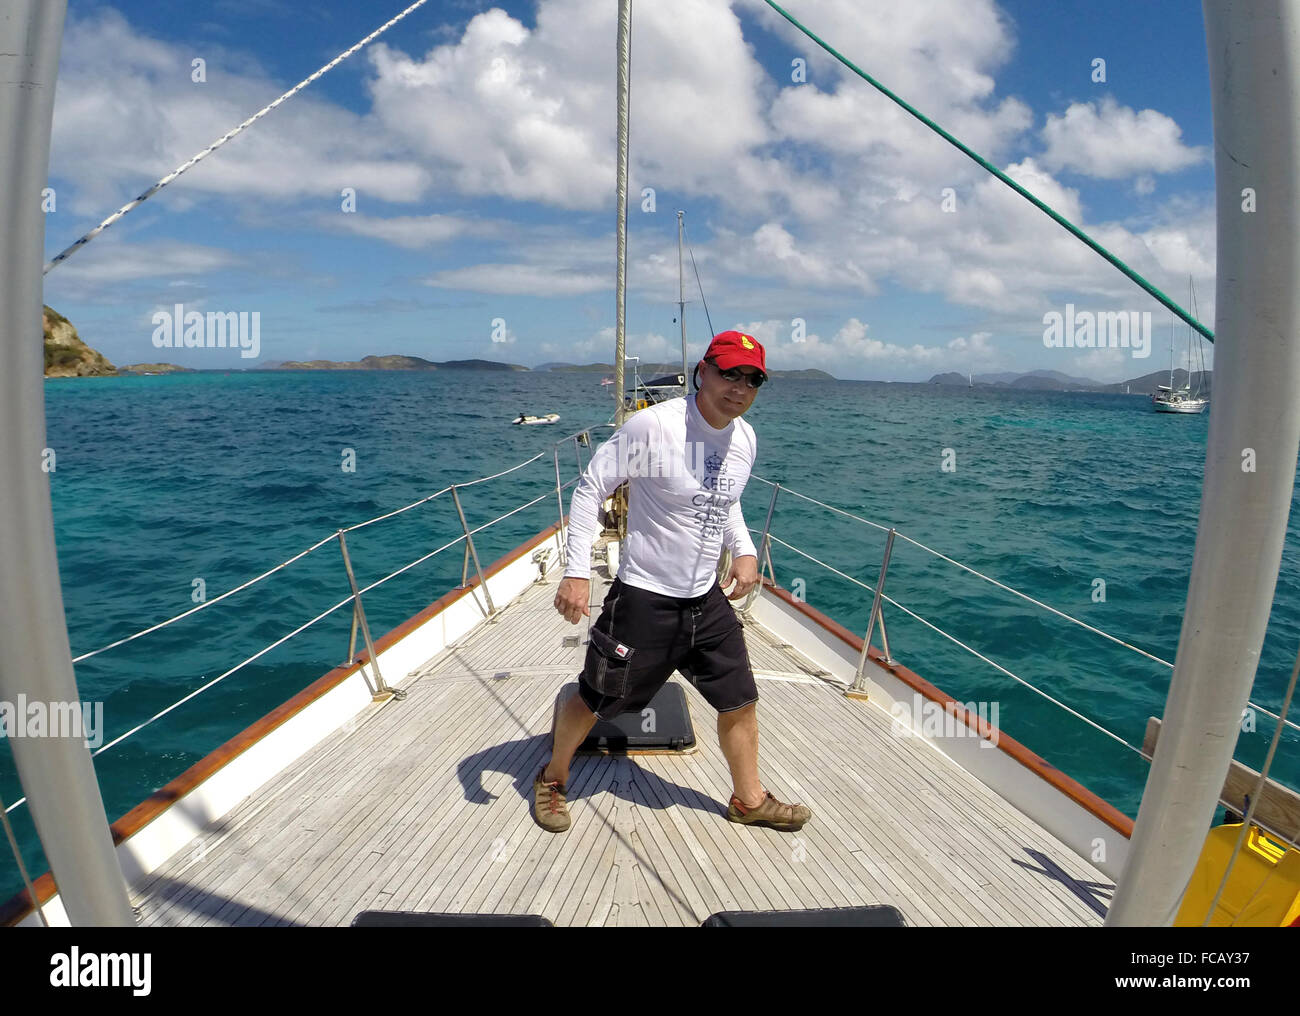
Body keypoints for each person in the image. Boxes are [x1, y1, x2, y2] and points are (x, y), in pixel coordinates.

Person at [535, 330, 812, 834]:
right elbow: (591, 489)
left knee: (740, 699)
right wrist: (576, 571)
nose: (740, 387)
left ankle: (748, 799)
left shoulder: (744, 439)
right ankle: (553, 778)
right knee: (598, 697)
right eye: (730, 373)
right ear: (703, 371)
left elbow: (725, 504)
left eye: (752, 380)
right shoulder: (654, 429)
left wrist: (745, 551)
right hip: (644, 596)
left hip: (704, 599)